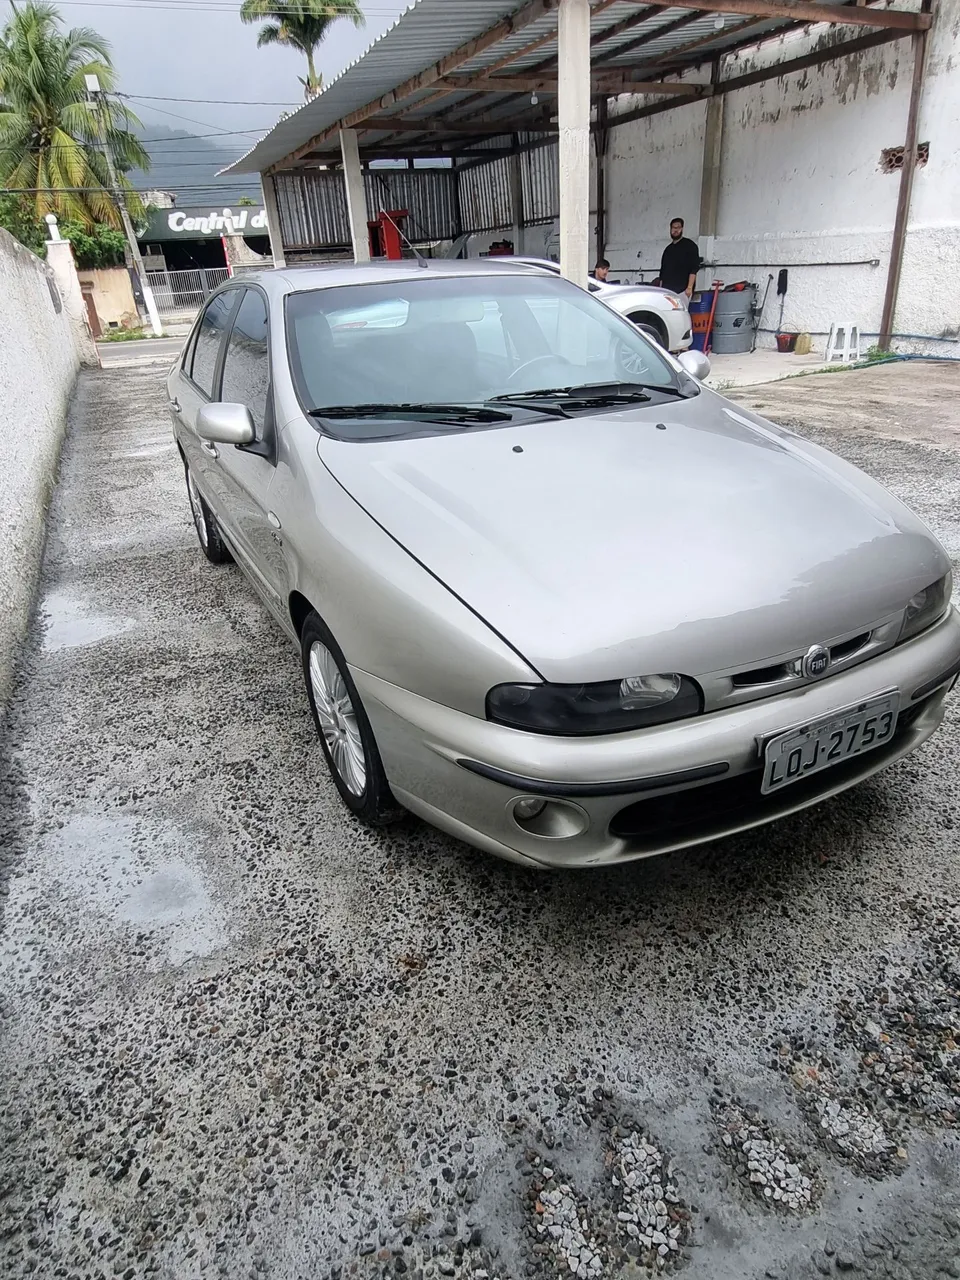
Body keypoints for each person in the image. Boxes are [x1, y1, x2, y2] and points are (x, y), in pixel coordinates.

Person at [658, 217, 700, 300]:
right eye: (673, 228)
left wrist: (689, 288)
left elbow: (694, 268)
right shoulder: (668, 250)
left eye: (678, 228)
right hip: (667, 291)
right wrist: (661, 289)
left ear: (682, 229)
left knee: (680, 312)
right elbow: (662, 272)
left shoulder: (690, 246)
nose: (675, 230)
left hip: (683, 291)